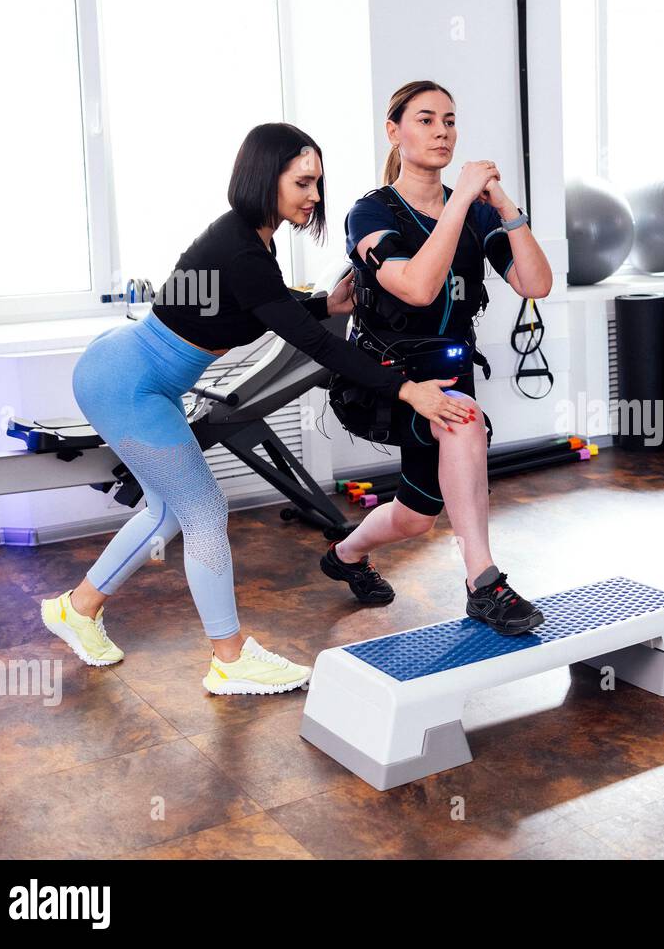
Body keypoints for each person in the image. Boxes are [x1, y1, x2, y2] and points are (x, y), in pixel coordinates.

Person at [42, 122, 450, 692]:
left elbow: (263, 305)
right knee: (205, 510)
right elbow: (312, 342)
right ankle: (230, 659)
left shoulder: (252, 237)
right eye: (303, 182)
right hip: (128, 383)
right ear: (266, 176)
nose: (314, 196)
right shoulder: (242, 247)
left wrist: (321, 302)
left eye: (318, 183)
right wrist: (405, 389)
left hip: (131, 369)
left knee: (167, 511)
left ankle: (77, 609)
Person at [321, 80, 553, 636]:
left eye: (449, 120)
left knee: (415, 516)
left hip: (449, 370)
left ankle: (345, 555)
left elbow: (535, 283)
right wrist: (460, 204)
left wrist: (504, 207)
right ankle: (484, 583)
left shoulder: (474, 213)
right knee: (464, 423)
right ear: (394, 132)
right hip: (382, 378)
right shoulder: (371, 213)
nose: (442, 131)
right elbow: (419, 289)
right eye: (425, 120)